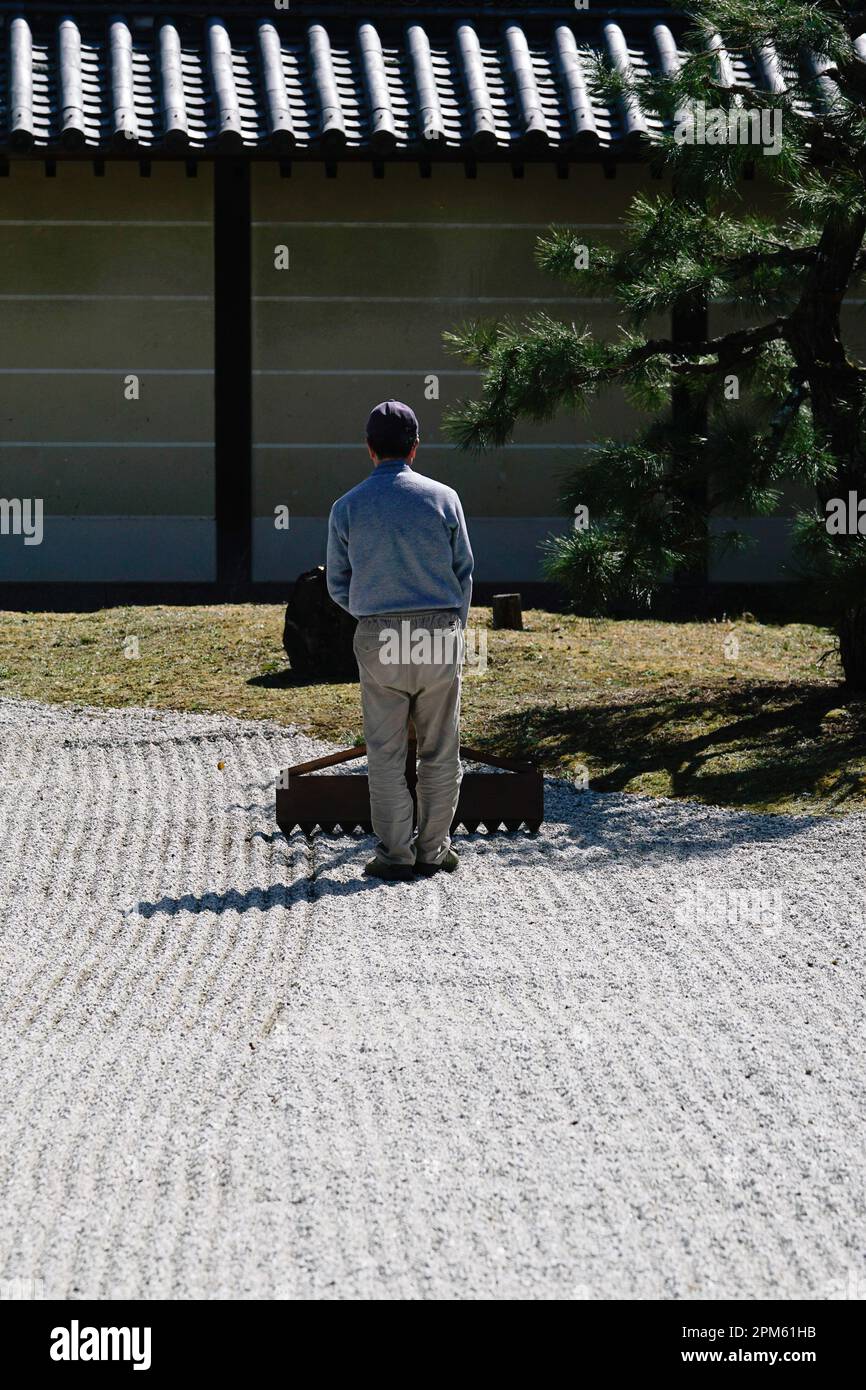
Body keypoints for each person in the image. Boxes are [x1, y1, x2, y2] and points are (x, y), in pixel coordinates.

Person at [326, 400, 474, 880]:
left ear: (369, 450)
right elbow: (464, 572)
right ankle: (435, 849)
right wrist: (455, 623)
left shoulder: (346, 507)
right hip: (437, 630)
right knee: (439, 747)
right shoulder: (444, 498)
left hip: (378, 633)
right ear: (415, 447)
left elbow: (337, 582)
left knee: (385, 751)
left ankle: (394, 852)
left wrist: (370, 612)